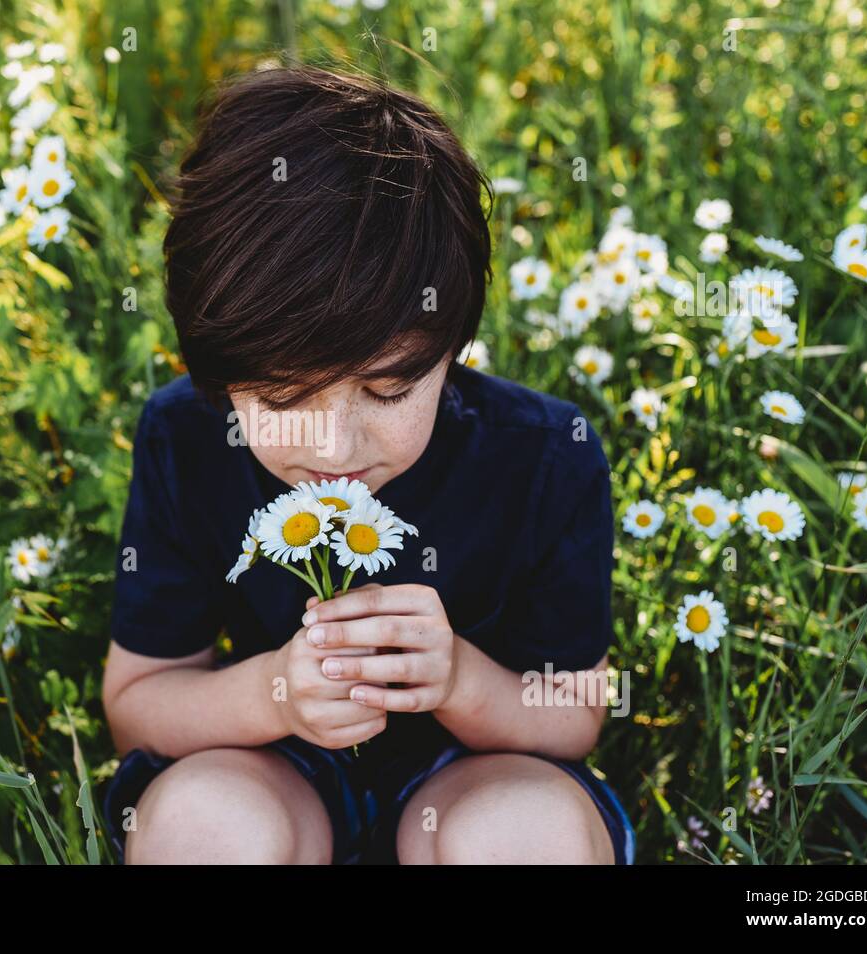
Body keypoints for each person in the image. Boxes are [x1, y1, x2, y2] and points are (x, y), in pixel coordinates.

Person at [100, 66, 634, 864]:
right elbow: (139, 702)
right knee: (202, 828)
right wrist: (277, 688)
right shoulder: (184, 437)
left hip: (481, 770)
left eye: (387, 391)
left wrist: (460, 681)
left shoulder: (545, 455)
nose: (332, 448)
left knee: (529, 838)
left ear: (452, 347)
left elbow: (575, 710)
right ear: (213, 369)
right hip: (270, 763)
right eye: (281, 401)